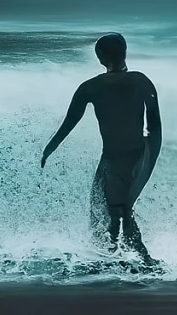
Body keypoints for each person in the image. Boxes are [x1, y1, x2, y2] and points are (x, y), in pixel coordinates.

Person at [41, 33, 161, 265]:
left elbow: (69, 122)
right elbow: (155, 127)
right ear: (125, 52)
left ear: (99, 58)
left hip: (114, 160)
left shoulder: (90, 87)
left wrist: (50, 148)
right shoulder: (141, 81)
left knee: (113, 212)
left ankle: (137, 261)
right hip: (137, 155)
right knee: (116, 211)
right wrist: (148, 159)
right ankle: (125, 259)